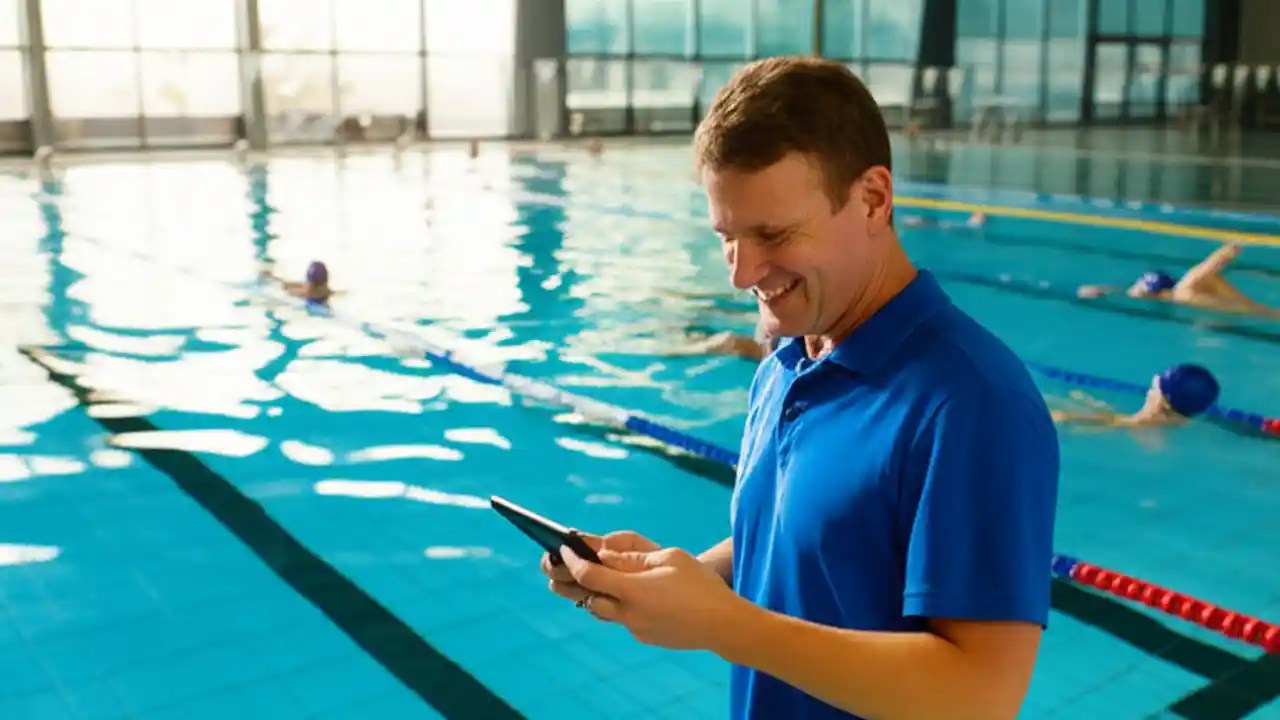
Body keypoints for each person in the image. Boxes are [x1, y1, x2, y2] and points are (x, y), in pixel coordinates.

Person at [540, 57, 1058, 720]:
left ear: (873, 198)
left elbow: (979, 697)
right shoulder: (788, 355)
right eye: (728, 236)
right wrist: (681, 580)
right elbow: (818, 536)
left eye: (773, 235)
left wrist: (722, 624)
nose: (741, 273)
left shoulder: (971, 402)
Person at [1077, 242, 1280, 318]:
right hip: (1251, 312)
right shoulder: (1178, 295)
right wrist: (1105, 290)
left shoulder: (1184, 290)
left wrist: (1225, 253)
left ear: (1160, 292)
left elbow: (1202, 270)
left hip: (1255, 314)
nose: (1139, 293)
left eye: (1144, 292)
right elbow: (1134, 294)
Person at [1051, 363, 1220, 428]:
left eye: (1154, 388)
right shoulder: (1186, 427)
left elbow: (1060, 419)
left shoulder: (1131, 425)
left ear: (1164, 400)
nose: (1149, 392)